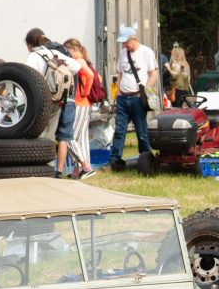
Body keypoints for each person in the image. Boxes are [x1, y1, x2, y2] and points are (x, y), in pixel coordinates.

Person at [109, 24, 158, 171]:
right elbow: (120, 74)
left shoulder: (146, 52)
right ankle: (115, 162)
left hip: (137, 98)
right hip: (123, 98)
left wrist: (145, 92)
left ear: (133, 39)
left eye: (125, 42)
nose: (124, 45)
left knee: (141, 132)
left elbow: (153, 73)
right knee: (119, 131)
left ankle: (147, 160)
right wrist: (117, 94)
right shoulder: (123, 54)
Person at [25, 27, 80, 146]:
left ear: (29, 45)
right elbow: (76, 66)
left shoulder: (33, 56)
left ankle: (38, 157)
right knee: (50, 136)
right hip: (56, 98)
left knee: (38, 135)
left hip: (40, 101)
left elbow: (27, 79)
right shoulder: (53, 53)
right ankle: (49, 157)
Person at [63, 38, 97, 179]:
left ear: (75, 50)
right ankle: (79, 170)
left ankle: (86, 167)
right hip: (84, 104)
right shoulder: (83, 60)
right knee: (81, 138)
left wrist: (84, 92)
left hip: (79, 103)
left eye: (68, 51)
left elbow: (90, 75)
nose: (66, 54)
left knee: (69, 137)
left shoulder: (78, 61)